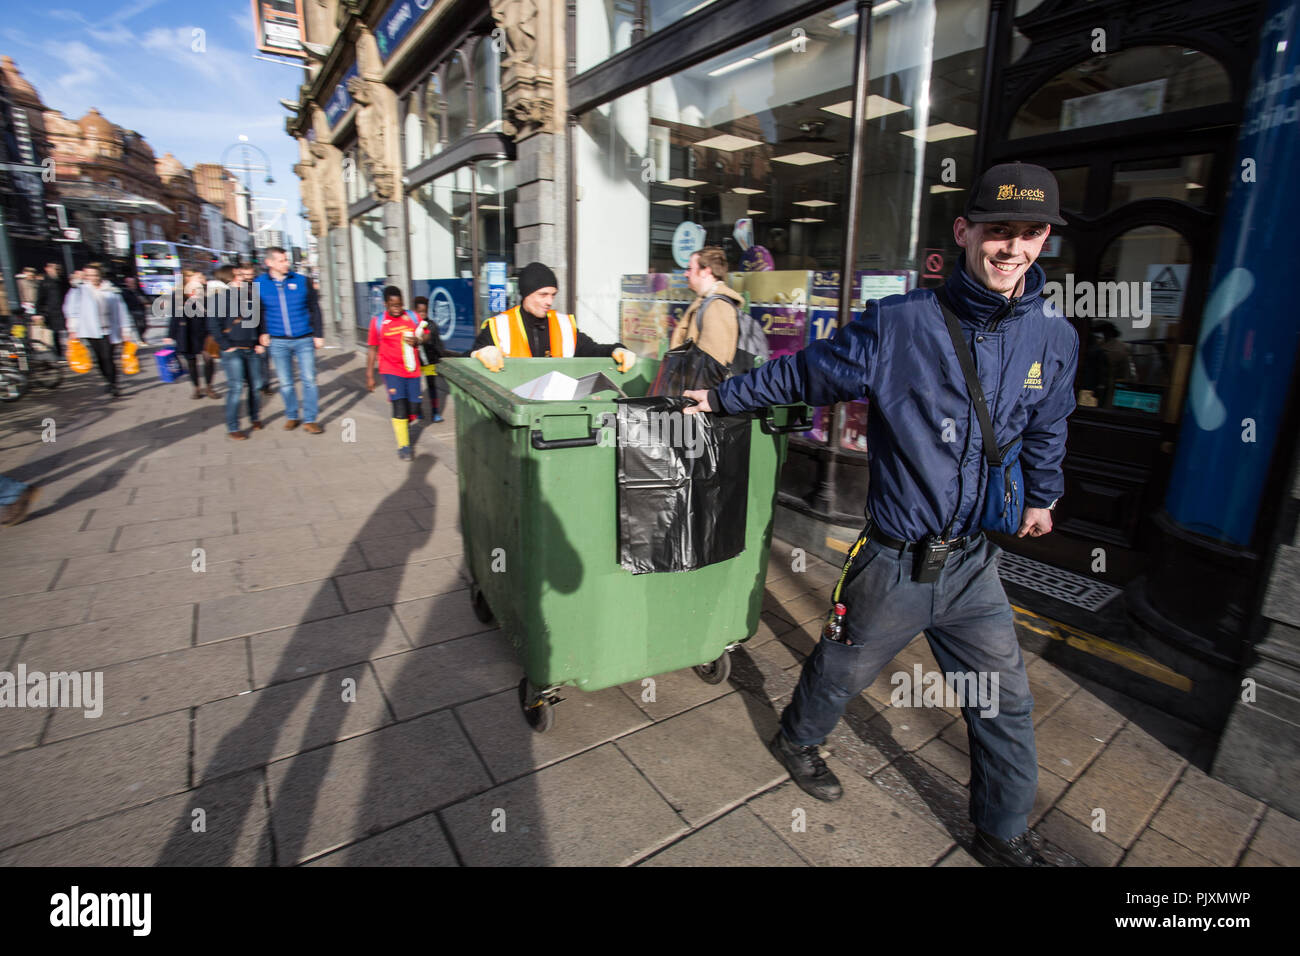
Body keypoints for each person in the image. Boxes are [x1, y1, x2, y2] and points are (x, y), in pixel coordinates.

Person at [685, 162, 1079, 867]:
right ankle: (797, 740)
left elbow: (1048, 424)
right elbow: (805, 372)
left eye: (1028, 233)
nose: (1011, 247)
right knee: (841, 669)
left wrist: (1042, 496)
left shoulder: (1052, 337)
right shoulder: (902, 325)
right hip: (896, 560)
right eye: (997, 231)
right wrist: (722, 399)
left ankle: (1003, 830)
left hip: (973, 566)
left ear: (1044, 239)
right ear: (964, 232)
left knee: (1006, 704)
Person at [470, 261, 637, 372]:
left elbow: (592, 350)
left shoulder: (563, 324)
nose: (549, 301)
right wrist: (479, 353)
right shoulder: (499, 325)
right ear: (526, 294)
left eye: (553, 295)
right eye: (543, 295)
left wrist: (617, 349)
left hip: (552, 407)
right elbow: (466, 361)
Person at [256, 247, 324, 433]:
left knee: (309, 379)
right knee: (286, 382)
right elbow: (257, 311)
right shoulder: (259, 283)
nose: (286, 263)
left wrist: (318, 334)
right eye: (281, 260)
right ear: (269, 263)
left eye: (286, 260)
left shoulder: (302, 281)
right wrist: (261, 333)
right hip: (278, 341)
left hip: (304, 338)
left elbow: (314, 308)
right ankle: (292, 415)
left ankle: (310, 419)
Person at [366, 287, 429, 461]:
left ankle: (402, 424)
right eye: (392, 304)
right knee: (399, 406)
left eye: (399, 304)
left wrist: (418, 339)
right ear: (385, 304)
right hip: (390, 369)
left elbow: (426, 335)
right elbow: (372, 348)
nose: (397, 308)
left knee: (414, 409)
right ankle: (404, 446)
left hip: (412, 369)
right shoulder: (378, 322)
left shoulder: (413, 317)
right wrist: (370, 375)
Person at [62, 261, 136, 397]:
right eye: (89, 275)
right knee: (99, 359)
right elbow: (71, 309)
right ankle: (108, 380)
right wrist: (72, 328)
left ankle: (114, 384)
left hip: (110, 329)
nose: (92, 278)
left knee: (108, 357)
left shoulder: (110, 290)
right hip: (91, 330)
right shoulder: (80, 290)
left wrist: (126, 330)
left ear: (100, 275)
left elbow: (122, 311)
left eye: (95, 275)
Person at [209, 264, 265, 439]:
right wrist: (225, 344)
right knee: (236, 387)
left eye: (241, 275)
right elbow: (213, 325)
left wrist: (260, 340)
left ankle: (254, 417)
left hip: (252, 348)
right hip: (232, 350)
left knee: (256, 386)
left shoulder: (251, 296)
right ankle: (233, 427)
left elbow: (259, 320)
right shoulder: (219, 299)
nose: (241, 278)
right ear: (228, 280)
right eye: (237, 276)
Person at [671, 245, 742, 366]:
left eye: (689, 268)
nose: (685, 274)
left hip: (698, 384)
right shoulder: (707, 302)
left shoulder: (717, 307)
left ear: (706, 271)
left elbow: (709, 366)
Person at [165, 271, 218, 400]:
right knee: (191, 362)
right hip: (186, 332)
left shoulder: (208, 293)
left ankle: (209, 386)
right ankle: (196, 388)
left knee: (209, 360)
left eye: (201, 277)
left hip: (206, 331)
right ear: (188, 279)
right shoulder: (178, 295)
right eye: (198, 277)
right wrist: (170, 335)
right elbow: (174, 317)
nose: (201, 279)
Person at [412, 295, 445, 422]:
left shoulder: (431, 325)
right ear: (415, 311)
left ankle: (435, 412)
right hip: (416, 362)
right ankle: (419, 411)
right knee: (417, 387)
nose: (423, 314)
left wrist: (440, 357)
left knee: (431, 386)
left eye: (425, 311)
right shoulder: (412, 325)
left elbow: (437, 342)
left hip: (430, 361)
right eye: (420, 312)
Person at [34, 262, 68, 361]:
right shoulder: (44, 282)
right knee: (55, 333)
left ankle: (72, 352)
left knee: (68, 331)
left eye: (57, 269)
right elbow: (40, 298)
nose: (56, 271)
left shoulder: (63, 280)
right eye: (54, 269)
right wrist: (38, 313)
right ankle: (58, 354)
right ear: (47, 269)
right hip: (52, 312)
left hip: (63, 310)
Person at [121, 275, 149, 342]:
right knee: (139, 325)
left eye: (133, 282)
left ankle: (142, 336)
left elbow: (146, 298)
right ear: (127, 283)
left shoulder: (139, 290)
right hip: (133, 310)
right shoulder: (125, 293)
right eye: (130, 283)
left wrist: (146, 302)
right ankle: (141, 339)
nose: (133, 284)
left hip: (142, 309)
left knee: (144, 325)